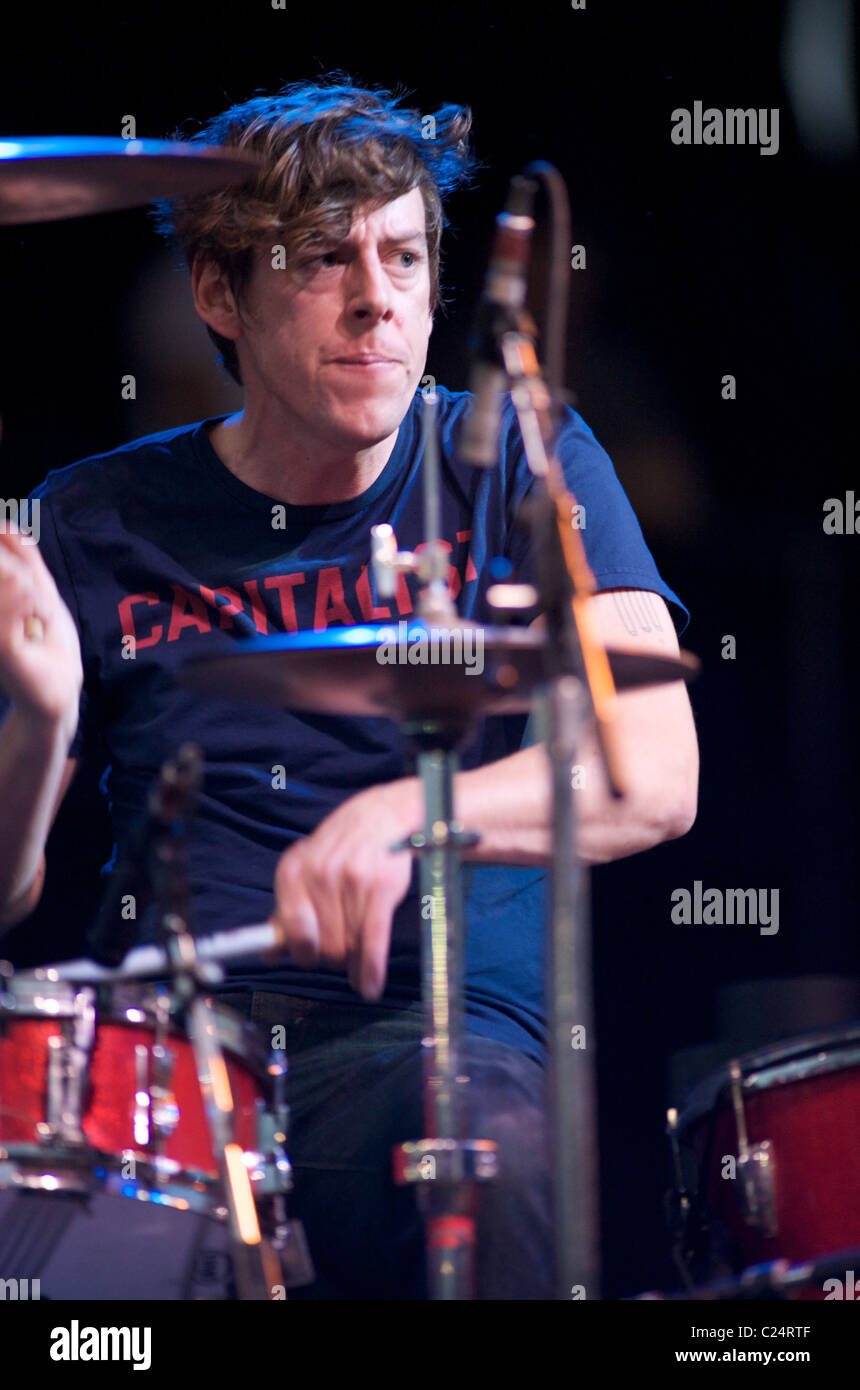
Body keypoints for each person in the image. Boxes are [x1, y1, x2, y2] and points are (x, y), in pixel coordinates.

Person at [0, 79, 699, 1299]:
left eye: (405, 257)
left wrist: (402, 816)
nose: (376, 298)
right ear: (221, 293)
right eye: (323, 259)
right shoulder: (92, 517)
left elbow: (655, 774)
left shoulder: (526, 463)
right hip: (168, 1053)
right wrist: (44, 716)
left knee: (483, 1153)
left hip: (433, 1039)